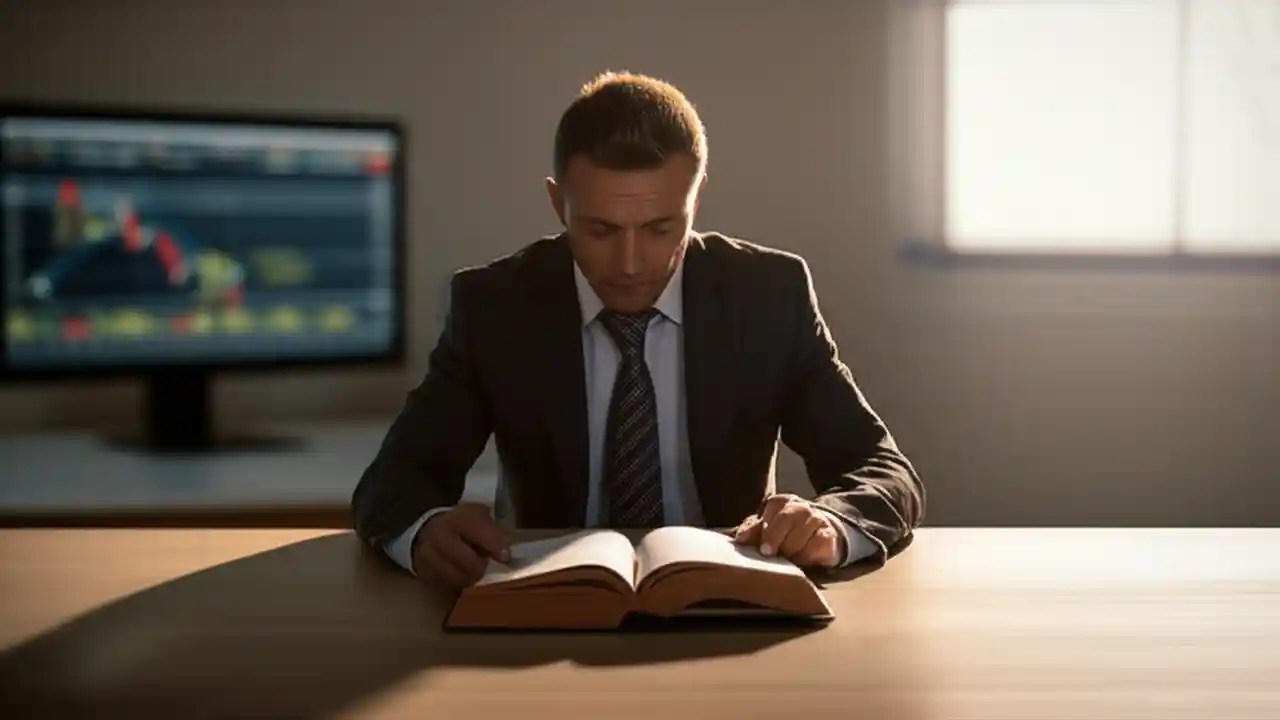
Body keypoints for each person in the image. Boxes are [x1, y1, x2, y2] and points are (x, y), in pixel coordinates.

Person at [352, 71, 925, 588]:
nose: (630, 264)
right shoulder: (496, 304)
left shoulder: (768, 295)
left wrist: (831, 522)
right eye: (600, 229)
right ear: (558, 204)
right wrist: (425, 532)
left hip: (727, 604)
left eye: (659, 228)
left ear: (695, 201)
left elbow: (882, 470)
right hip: (545, 610)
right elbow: (393, 482)